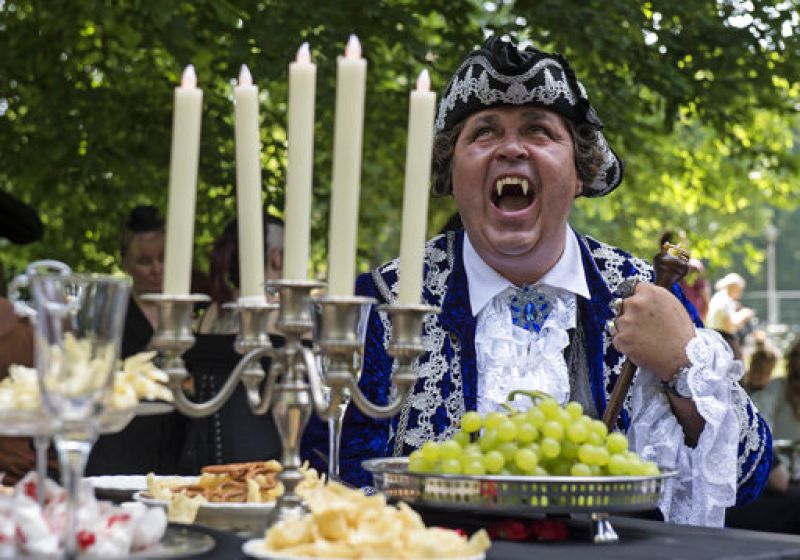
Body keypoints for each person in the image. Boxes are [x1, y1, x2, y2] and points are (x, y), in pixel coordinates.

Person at [303, 36, 772, 527]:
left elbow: (746, 476)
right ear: (452, 171)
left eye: (539, 130)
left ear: (578, 171)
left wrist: (681, 364)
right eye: (484, 132)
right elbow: (329, 478)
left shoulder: (642, 292)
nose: (510, 148)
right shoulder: (383, 302)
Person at [86, 205, 189, 476]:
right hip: (119, 454)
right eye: (144, 261)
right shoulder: (109, 314)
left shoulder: (193, 311)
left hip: (180, 454)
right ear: (125, 263)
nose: (156, 269)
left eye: (164, 258)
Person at [182, 213, 284, 468]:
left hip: (197, 461)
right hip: (264, 468)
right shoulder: (288, 320)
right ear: (276, 257)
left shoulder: (211, 315)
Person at [658, 231, 710, 323]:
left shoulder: (693, 268)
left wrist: (698, 325)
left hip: (690, 322)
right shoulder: (658, 269)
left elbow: (705, 301)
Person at [707, 273, 754, 360]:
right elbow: (728, 326)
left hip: (716, 338)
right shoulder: (725, 300)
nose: (740, 294)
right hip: (724, 340)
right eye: (740, 290)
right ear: (734, 287)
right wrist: (744, 315)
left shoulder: (718, 297)